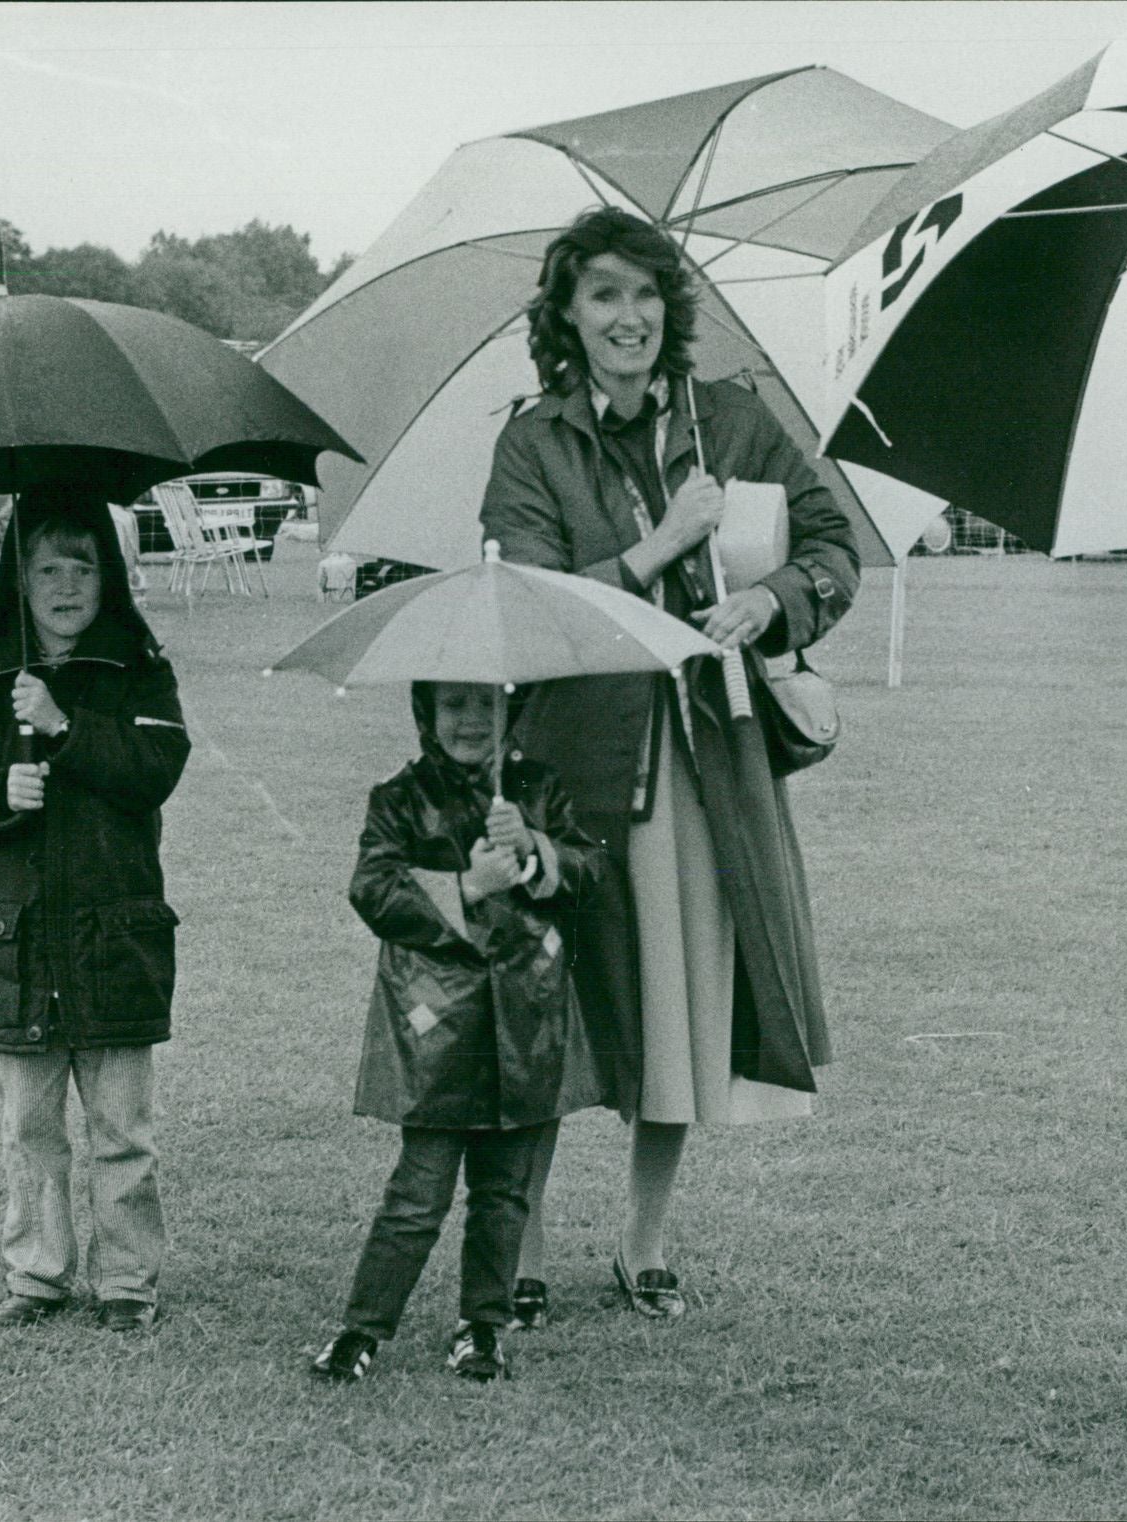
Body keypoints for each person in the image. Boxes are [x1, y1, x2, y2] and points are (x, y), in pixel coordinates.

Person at [479, 206, 858, 1321]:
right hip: (572, 766)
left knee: (679, 1008)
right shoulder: (531, 441)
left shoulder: (731, 420)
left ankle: (643, 1240)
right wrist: (662, 542)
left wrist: (769, 597)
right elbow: (532, 612)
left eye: (646, 294)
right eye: (602, 295)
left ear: (669, 309)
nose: (627, 316)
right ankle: (526, 1244)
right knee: (551, 1009)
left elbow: (832, 545)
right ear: (566, 315)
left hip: (704, 764)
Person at [0, 487, 191, 1332]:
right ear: (17, 582)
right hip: (19, 947)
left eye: (83, 567)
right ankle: (36, 1274)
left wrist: (64, 726)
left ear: (109, 577)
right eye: (45, 571)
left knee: (121, 1129)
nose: (67, 587)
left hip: (116, 941)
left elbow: (155, 769)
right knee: (30, 1129)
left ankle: (127, 1283)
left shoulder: (141, 674)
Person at [311, 681, 609, 1383]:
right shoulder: (398, 797)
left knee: (506, 1191)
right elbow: (372, 889)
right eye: (453, 705)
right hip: (437, 1028)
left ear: (512, 709)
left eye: (487, 703)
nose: (471, 720)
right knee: (419, 1191)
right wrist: (467, 885)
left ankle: (482, 1326)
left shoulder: (537, 789)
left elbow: (592, 869)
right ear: (425, 712)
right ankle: (362, 1330)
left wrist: (534, 848)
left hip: (526, 1021)